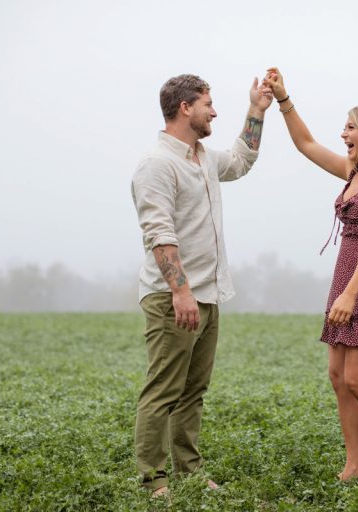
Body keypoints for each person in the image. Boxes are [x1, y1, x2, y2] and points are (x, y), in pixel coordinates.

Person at [263, 67, 358, 480]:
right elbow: (306, 144)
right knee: (337, 376)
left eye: (350, 127)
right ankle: (355, 466)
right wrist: (283, 99)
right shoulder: (353, 172)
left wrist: (350, 295)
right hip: (343, 280)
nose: (342, 134)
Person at [131, 74, 272, 497]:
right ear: (184, 108)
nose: (214, 111)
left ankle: (189, 470)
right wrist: (180, 292)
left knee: (193, 391)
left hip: (208, 294)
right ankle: (153, 478)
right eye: (208, 104)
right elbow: (159, 233)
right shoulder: (157, 164)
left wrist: (258, 109)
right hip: (173, 296)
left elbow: (242, 159)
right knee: (163, 389)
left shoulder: (204, 158)